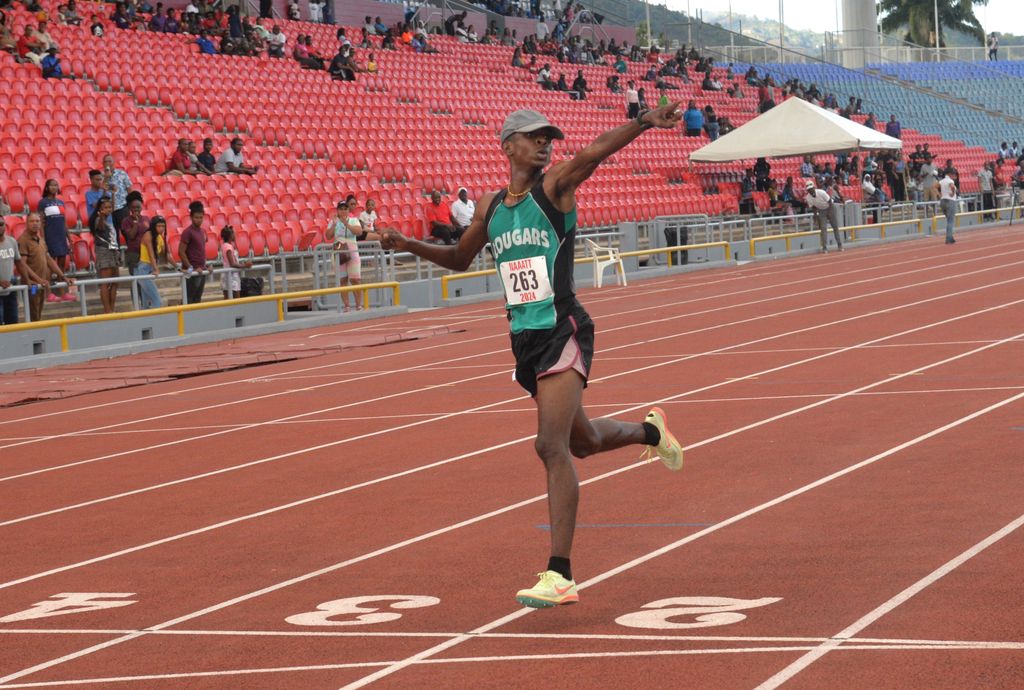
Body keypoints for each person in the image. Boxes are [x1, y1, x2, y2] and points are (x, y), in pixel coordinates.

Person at [379, 107, 684, 608]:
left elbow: (591, 154)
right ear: (508, 146)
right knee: (581, 442)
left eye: (548, 138)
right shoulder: (492, 207)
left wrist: (645, 122)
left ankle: (559, 573)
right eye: (534, 138)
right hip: (524, 339)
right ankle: (652, 432)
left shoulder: (555, 188)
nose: (544, 145)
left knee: (549, 445)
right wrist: (408, 243)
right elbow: (460, 258)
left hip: (564, 328)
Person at [18, 212, 72, 321]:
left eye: (37, 221)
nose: (35, 224)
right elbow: (22, 264)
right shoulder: (23, 240)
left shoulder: (40, 239)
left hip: (42, 283)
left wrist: (62, 276)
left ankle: (38, 335)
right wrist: (38, 280)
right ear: (26, 223)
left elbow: (49, 259)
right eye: (32, 221)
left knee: (39, 311)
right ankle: (35, 336)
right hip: (32, 285)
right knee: (33, 312)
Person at [0, 216, 45, 324]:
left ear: (5, 226)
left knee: (13, 321)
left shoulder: (12, 241)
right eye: (32, 221)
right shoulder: (23, 240)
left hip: (11, 286)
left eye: (1, 224)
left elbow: (19, 262)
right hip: (2, 285)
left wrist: (28, 279)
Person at [38, 179, 73, 302]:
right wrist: (42, 240)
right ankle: (49, 293)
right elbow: (41, 223)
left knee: (61, 266)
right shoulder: (43, 203)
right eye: (52, 185)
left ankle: (63, 292)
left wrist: (69, 237)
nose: (54, 187)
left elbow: (64, 221)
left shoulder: (61, 202)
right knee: (50, 267)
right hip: (50, 236)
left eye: (56, 185)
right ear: (47, 187)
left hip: (61, 236)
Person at [324, 198, 362, 312]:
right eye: (341, 209)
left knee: (355, 279)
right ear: (337, 210)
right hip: (339, 252)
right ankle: (346, 305)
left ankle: (358, 305)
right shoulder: (333, 221)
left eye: (345, 209)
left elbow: (359, 232)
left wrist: (347, 224)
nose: (343, 211)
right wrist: (334, 225)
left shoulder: (354, 220)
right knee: (342, 279)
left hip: (352, 251)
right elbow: (328, 236)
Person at [89, 196, 121, 313]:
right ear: (100, 209)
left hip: (113, 251)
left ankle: (111, 308)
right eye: (106, 208)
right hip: (104, 252)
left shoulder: (108, 220)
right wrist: (101, 216)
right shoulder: (98, 219)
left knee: (115, 281)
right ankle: (107, 310)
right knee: (105, 282)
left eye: (110, 207)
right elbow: (100, 228)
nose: (109, 209)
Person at [178, 200, 213, 303]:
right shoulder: (187, 232)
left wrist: (206, 266)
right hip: (192, 272)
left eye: (201, 217)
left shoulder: (203, 232)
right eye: (196, 217)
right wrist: (190, 268)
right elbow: (181, 252)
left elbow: (200, 251)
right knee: (188, 299)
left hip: (201, 270)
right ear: (191, 217)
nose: (198, 220)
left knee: (197, 299)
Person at [135, 215, 166, 309]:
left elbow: (167, 254)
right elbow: (151, 254)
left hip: (150, 269)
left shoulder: (160, 238)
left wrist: (178, 267)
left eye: (163, 226)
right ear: (153, 226)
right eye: (159, 226)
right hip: (143, 269)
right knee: (157, 301)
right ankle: (157, 322)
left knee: (146, 304)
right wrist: (156, 269)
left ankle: (148, 323)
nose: (161, 228)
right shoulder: (148, 235)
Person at [805, 181, 843, 252]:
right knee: (823, 229)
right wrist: (815, 217)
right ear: (807, 190)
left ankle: (839, 245)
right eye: (809, 190)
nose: (810, 191)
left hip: (830, 207)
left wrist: (830, 213)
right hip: (821, 210)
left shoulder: (821, 192)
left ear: (814, 188)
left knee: (835, 226)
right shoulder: (808, 198)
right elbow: (813, 208)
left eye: (811, 189)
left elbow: (830, 202)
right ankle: (824, 247)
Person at [219, 226, 251, 299]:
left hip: (228, 276)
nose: (235, 235)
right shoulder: (228, 247)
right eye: (234, 234)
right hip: (231, 277)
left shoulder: (225, 245)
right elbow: (232, 264)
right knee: (235, 300)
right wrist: (245, 265)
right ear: (230, 235)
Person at [939, 169, 958, 244]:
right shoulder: (950, 181)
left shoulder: (942, 180)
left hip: (943, 201)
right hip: (950, 201)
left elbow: (934, 186)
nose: (955, 176)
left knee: (949, 220)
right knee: (950, 221)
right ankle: (949, 238)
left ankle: (951, 236)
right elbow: (952, 187)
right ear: (950, 174)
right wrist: (953, 193)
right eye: (954, 175)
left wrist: (939, 194)